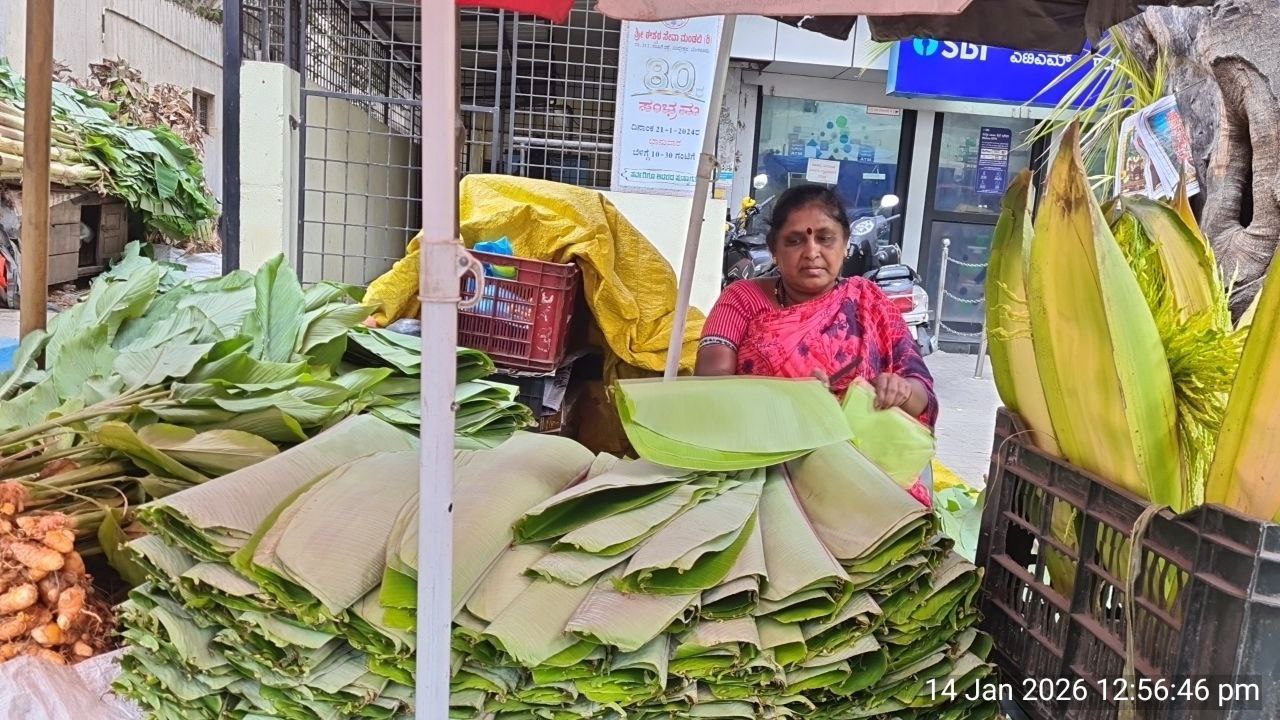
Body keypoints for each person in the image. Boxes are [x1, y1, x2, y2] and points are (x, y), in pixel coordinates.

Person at [696, 184, 938, 506]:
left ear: (846, 243)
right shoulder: (742, 300)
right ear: (774, 248)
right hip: (758, 474)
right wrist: (791, 399)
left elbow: (922, 394)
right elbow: (709, 386)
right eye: (795, 240)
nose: (812, 252)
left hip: (863, 478)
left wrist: (901, 390)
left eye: (825, 238)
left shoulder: (870, 302)